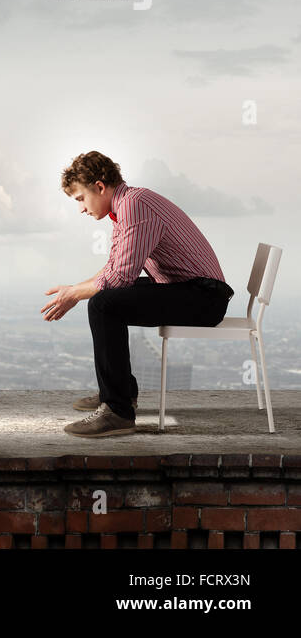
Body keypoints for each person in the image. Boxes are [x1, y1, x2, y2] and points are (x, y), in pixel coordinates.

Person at [42, 151, 234, 438]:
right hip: (187, 289)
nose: (81, 208)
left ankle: (117, 411)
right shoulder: (125, 207)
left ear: (100, 187)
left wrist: (75, 295)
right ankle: (120, 393)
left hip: (204, 298)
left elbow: (120, 277)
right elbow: (113, 268)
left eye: (81, 198)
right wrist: (73, 289)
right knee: (104, 300)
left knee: (103, 305)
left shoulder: (135, 206)